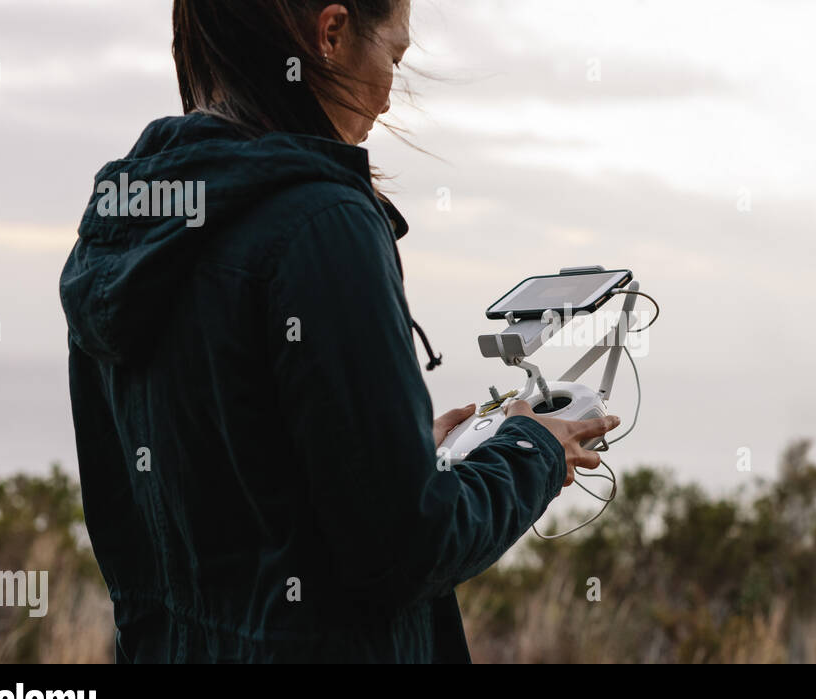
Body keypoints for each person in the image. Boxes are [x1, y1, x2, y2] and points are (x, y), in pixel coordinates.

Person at [58, 0, 618, 663]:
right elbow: (404, 549)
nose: (386, 100)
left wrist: (399, 460)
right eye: (396, 58)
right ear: (331, 34)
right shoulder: (322, 226)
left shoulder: (125, 233)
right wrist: (532, 450)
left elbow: (218, 504)